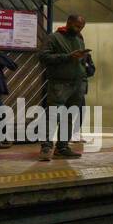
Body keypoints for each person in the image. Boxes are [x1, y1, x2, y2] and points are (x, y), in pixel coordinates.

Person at [36, 14, 91, 161]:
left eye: (82, 27)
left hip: (77, 83)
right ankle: (46, 147)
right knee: (53, 115)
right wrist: (67, 57)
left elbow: (82, 61)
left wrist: (85, 72)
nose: (79, 29)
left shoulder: (79, 39)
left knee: (69, 116)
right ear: (69, 22)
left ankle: (62, 147)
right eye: (77, 26)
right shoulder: (53, 38)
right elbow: (43, 57)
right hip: (59, 83)